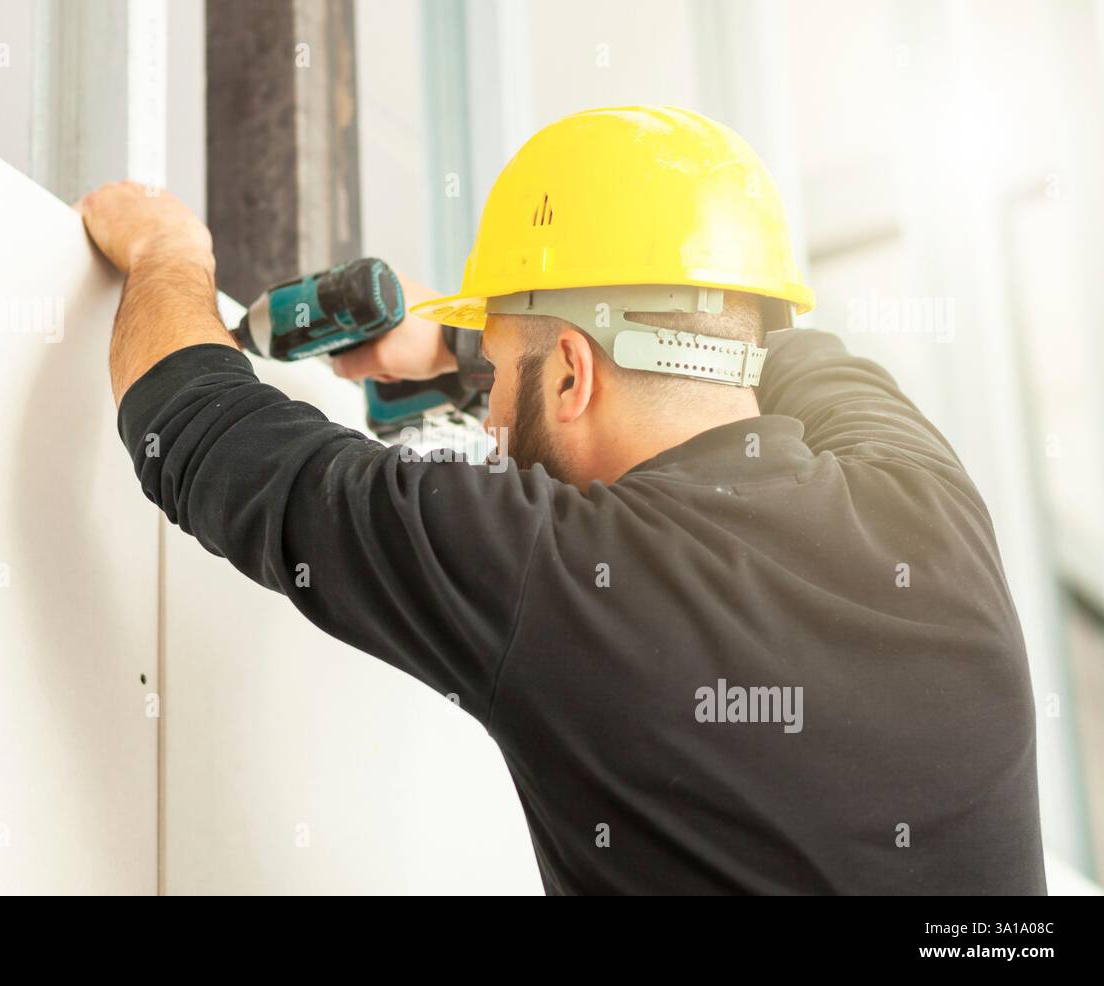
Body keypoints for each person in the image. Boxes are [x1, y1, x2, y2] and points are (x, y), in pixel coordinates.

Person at [78, 105, 1045, 894]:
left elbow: (192, 423)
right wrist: (476, 348)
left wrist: (170, 251)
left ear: (574, 376)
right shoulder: (933, 507)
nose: (490, 413)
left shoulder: (564, 581)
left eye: (502, 377)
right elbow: (773, 349)